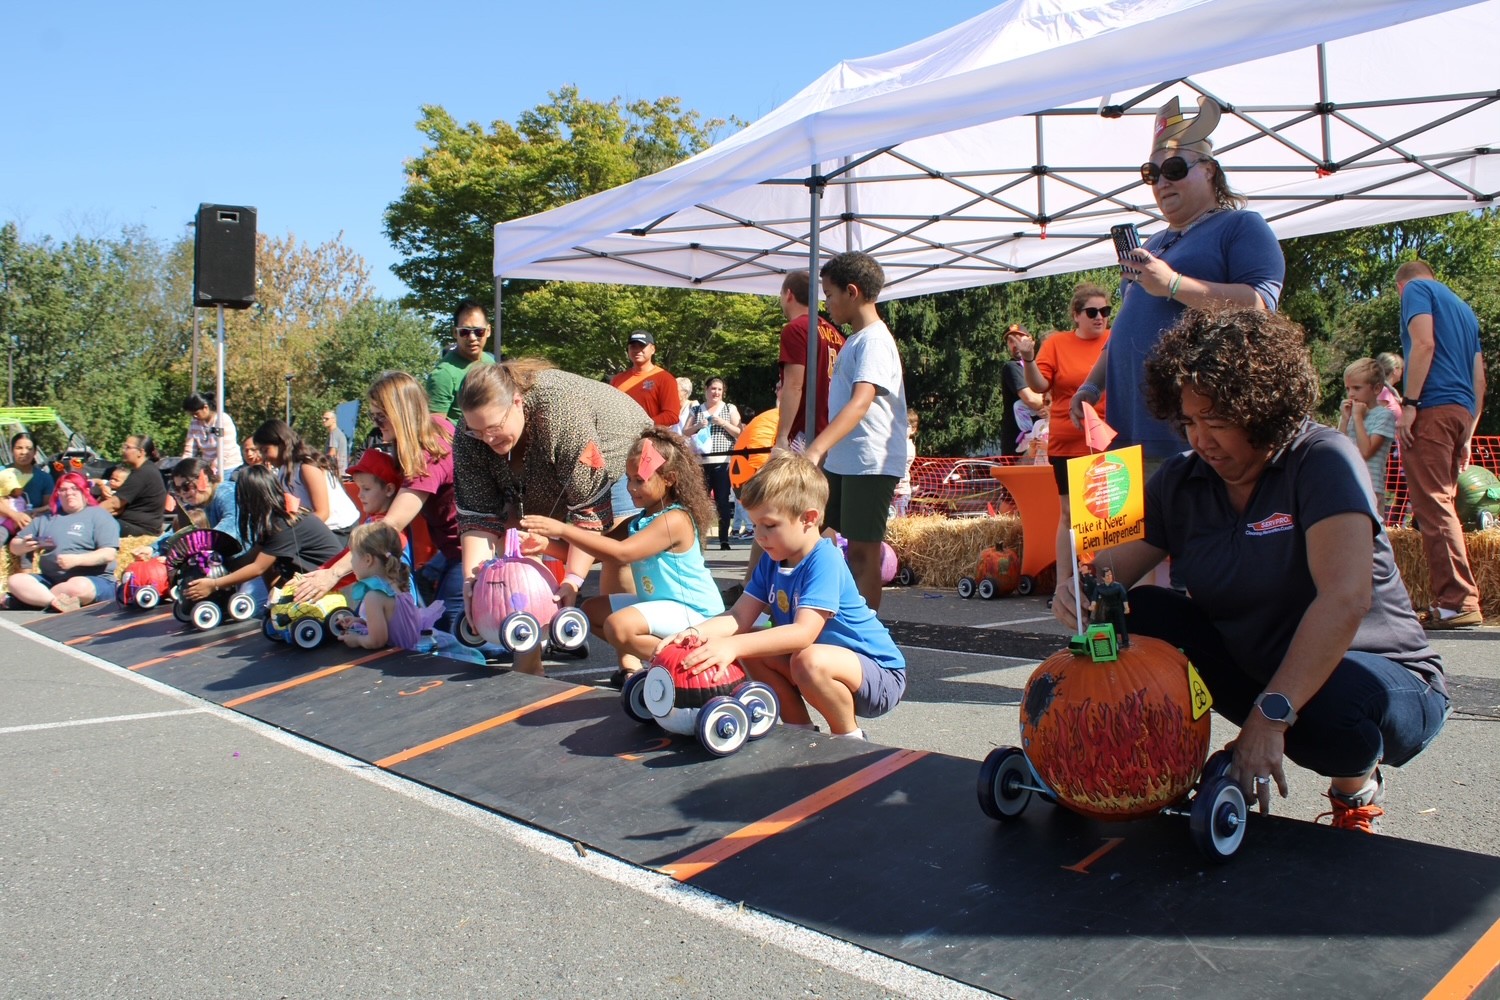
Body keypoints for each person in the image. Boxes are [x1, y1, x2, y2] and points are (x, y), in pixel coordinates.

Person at [1056, 306, 1448, 833]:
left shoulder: (1322, 460)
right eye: (1189, 421)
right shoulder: (1182, 480)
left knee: (1334, 712)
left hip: (1382, 674)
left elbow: (1345, 598)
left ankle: (1355, 788)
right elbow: (1109, 572)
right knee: (1142, 612)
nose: (1200, 439)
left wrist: (1268, 716)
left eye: (1217, 422)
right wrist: (1078, 585)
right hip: (1262, 671)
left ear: (1263, 408)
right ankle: (1154, 765)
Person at [1072, 96, 1285, 465]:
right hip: (1128, 432)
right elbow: (1126, 324)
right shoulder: (1153, 243)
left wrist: (1172, 285)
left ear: (1209, 171)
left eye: (1174, 168)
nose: (1162, 183)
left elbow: (1260, 305)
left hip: (1194, 436)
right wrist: (1093, 384)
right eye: (1151, 174)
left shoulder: (1240, 226)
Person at [666, 451, 906, 739]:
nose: (759, 536)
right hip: (825, 664)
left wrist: (733, 646)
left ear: (809, 519)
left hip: (879, 673)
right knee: (752, 647)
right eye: (755, 525)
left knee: (802, 658)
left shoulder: (824, 559)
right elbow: (738, 616)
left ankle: (849, 740)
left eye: (769, 525)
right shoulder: (773, 559)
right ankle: (798, 730)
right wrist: (694, 633)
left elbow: (803, 634)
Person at [454, 358, 651, 675]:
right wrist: (472, 582)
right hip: (543, 478)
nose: (488, 440)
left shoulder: (560, 412)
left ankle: (629, 661)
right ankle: (528, 662)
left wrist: (572, 580)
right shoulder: (469, 437)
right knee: (521, 549)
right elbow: (478, 518)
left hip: (617, 459)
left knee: (616, 555)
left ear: (517, 402)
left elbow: (589, 515)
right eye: (478, 432)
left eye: (494, 428)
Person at [521, 429, 724, 687]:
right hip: (663, 605)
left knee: (619, 626)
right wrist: (545, 544)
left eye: (640, 480)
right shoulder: (639, 520)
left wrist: (562, 528)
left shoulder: (676, 519)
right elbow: (596, 552)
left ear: (670, 478)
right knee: (592, 613)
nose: (631, 488)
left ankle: (684, 666)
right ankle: (674, 663)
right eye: (628, 479)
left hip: (697, 613)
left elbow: (622, 553)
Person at [289, 372, 463, 633]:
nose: (376, 423)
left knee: (454, 632)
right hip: (452, 548)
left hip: (466, 550)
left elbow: (389, 527)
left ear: (401, 412)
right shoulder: (436, 427)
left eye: (380, 416)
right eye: (373, 416)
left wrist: (332, 575)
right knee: (430, 603)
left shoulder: (429, 455)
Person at [804, 251, 910, 612]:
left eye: (829, 295)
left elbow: (861, 401)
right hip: (846, 460)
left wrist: (816, 448)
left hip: (870, 462)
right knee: (816, 533)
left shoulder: (874, 341)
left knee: (864, 553)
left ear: (852, 292)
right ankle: (826, 612)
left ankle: (866, 640)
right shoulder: (855, 339)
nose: (827, 304)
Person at [1395, 260, 1487, 629]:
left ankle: (1457, 602)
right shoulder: (1464, 309)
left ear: (1400, 286)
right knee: (1444, 505)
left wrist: (1410, 404)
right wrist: (1469, 432)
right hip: (1460, 411)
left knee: (1432, 505)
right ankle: (1458, 599)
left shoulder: (1416, 291)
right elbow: (1479, 381)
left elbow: (1424, 342)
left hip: (1431, 406)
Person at [1016, 283, 1112, 603]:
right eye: (1092, 312)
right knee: (1070, 514)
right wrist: (1029, 359)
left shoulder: (1115, 340)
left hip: (1108, 441)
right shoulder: (1057, 343)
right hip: (1067, 443)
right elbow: (1041, 385)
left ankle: (1107, 580)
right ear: (1076, 315)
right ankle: (1063, 584)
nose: (1100, 318)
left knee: (1109, 514)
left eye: (1105, 311)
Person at [182, 464, 342, 606]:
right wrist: (219, 566)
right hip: (312, 577)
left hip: (332, 584)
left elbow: (258, 567)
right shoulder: (273, 519)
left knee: (256, 596)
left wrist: (214, 584)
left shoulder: (284, 523)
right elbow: (253, 556)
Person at [5, 473, 119, 612]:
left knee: (78, 588)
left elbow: (108, 554)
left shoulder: (99, 516)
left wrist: (77, 560)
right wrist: (22, 546)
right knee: (15, 581)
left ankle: (34, 599)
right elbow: (14, 547)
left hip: (93, 579)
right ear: (57, 494)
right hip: (51, 579)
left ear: (85, 491)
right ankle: (54, 601)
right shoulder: (46, 519)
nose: (69, 493)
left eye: (74, 488)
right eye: (63, 490)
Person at [335, 522, 442, 652]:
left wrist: (356, 639)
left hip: (398, 656)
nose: (351, 562)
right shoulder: (396, 582)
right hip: (414, 648)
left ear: (368, 559)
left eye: (353, 556)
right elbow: (393, 621)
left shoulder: (374, 596)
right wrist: (361, 621)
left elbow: (377, 641)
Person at [774, 269, 846, 452]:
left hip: (806, 434)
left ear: (789, 294)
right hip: (833, 432)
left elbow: (794, 385)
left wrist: (782, 437)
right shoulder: (836, 335)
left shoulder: (796, 329)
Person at [252, 420, 359, 542]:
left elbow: (323, 513)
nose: (263, 456)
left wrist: (292, 535)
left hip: (340, 531)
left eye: (265, 450)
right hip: (319, 527)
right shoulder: (283, 469)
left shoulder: (306, 467)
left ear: (281, 443)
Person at [682, 377, 742, 550]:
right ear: (706, 390)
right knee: (699, 501)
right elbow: (686, 431)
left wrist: (724, 423)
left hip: (722, 461)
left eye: (719, 390)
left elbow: (740, 432)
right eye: (713, 389)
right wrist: (698, 426)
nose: (716, 392)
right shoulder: (696, 409)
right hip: (701, 461)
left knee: (722, 501)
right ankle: (699, 538)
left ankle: (724, 539)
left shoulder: (729, 408)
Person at [148, 457, 243, 556]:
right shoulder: (192, 506)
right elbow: (177, 533)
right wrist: (152, 549)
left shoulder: (227, 492)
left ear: (204, 478)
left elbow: (231, 525)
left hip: (239, 559)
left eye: (186, 486)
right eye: (177, 488)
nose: (182, 493)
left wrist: (195, 543)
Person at [1338, 358, 1396, 518]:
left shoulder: (1384, 415)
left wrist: (1357, 418)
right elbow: (1339, 448)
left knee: (1371, 535)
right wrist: (1344, 419)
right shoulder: (1351, 415)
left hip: (1371, 487)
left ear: (1377, 388)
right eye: (1348, 388)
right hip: (1348, 484)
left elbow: (1366, 452)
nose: (1351, 394)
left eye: (1357, 388)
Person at [426, 299, 495, 422]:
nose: (472, 338)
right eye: (464, 332)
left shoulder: (490, 361)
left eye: (479, 331)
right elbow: (435, 431)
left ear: (488, 331)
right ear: (455, 333)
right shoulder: (443, 375)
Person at [100, 435, 168, 539]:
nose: (123, 451)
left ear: (141, 452)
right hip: (131, 524)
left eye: (127, 447)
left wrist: (86, 515)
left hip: (140, 530)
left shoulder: (144, 473)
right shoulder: (144, 470)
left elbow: (114, 504)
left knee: (96, 526)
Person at [0, 432, 55, 544]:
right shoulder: (2, 472)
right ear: (12, 450)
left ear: (35, 452)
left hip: (30, 524)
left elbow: (49, 507)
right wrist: (14, 515)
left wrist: (32, 516)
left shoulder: (44, 478)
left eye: (29, 448)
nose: (24, 452)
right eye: (19, 448)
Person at [1000, 325, 1044, 457]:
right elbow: (1031, 399)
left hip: (1042, 441)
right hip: (1019, 449)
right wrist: (1055, 406)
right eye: (1010, 341)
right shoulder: (1012, 367)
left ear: (1031, 341)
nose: (1015, 344)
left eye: (1019, 338)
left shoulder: (1041, 367)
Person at [180, 393, 242, 480]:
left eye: (196, 413)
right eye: (191, 414)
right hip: (208, 468)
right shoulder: (194, 423)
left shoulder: (222, 420)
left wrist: (214, 466)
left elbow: (226, 449)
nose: (194, 417)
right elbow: (190, 449)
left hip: (228, 467)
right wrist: (183, 466)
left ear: (205, 408)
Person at [1087, 566, 1130, 647]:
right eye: (1107, 575)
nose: (1110, 577)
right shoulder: (1099, 588)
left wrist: (1127, 607)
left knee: (1122, 624)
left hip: (1118, 607)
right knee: (1110, 625)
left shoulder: (1118, 586)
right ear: (1103, 577)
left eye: (1110, 575)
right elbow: (1094, 598)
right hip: (1107, 609)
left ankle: (1125, 642)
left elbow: (1124, 597)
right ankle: (1114, 641)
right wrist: (1092, 606)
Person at [891, 411, 919, 518]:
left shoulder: (908, 448)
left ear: (913, 430)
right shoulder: (896, 444)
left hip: (901, 491)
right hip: (891, 490)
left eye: (905, 425)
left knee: (899, 520)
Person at [1376, 352, 1406, 429]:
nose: (1402, 372)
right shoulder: (1383, 391)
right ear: (1395, 370)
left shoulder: (1388, 391)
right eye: (1401, 368)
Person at [323, 411, 349, 478]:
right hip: (341, 471)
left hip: (336, 472)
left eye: (326, 419)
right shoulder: (337, 433)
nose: (323, 420)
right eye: (323, 418)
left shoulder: (334, 433)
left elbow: (332, 454)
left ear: (334, 420)